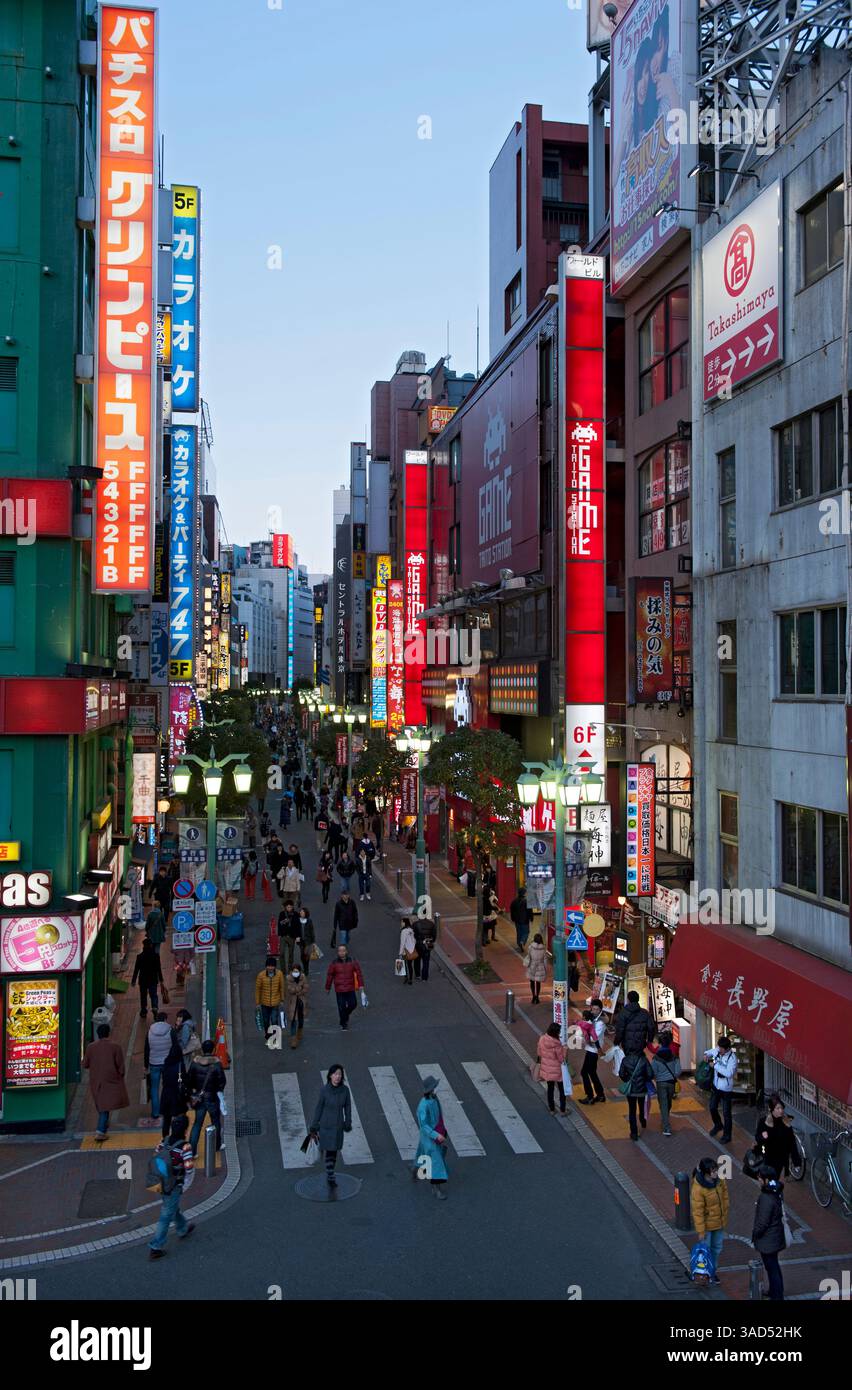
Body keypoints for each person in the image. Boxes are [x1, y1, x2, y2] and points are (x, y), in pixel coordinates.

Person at [148, 1115, 195, 1259]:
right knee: (166, 1214)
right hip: (174, 1184)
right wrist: (185, 1182)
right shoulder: (185, 1147)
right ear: (185, 1130)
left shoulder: (164, 1141)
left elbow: (156, 1153)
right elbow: (189, 1168)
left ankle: (182, 1228)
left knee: (171, 1207)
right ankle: (156, 1246)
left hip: (161, 1181)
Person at [83, 1023, 130, 1140]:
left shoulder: (91, 1047)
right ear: (108, 1033)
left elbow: (85, 1064)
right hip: (111, 1080)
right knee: (106, 1105)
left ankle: (103, 1125)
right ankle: (100, 1131)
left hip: (95, 1080)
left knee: (102, 1104)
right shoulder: (115, 1047)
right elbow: (121, 1068)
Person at [309, 1064, 352, 1188]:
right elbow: (319, 1108)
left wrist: (348, 1121)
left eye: (339, 1074)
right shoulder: (324, 1090)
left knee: (333, 1151)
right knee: (330, 1151)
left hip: (338, 1126)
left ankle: (330, 1172)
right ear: (330, 1076)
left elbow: (348, 1107)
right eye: (335, 1074)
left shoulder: (345, 1090)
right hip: (326, 1126)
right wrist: (314, 1124)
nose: (337, 1077)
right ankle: (330, 1174)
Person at [690, 1156, 729, 1285]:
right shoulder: (698, 1188)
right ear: (706, 1172)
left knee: (717, 1248)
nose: (716, 1173)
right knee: (706, 1250)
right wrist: (701, 1231)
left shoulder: (719, 1181)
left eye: (716, 1170)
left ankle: (712, 1271)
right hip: (707, 1226)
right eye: (713, 1171)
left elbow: (724, 1195)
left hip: (718, 1222)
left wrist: (725, 1213)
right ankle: (704, 1273)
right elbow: (698, 1211)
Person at [752, 1165, 786, 1300]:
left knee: (771, 1268)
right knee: (774, 1266)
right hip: (775, 1236)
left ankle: (777, 1295)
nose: (758, 1179)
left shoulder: (766, 1197)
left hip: (768, 1239)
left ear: (766, 1179)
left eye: (760, 1177)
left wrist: (756, 1234)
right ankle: (776, 1291)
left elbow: (763, 1222)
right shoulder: (776, 1191)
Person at [187, 1038, 227, 1155]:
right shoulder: (216, 1064)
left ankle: (192, 1151)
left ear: (202, 1050)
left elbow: (189, 1080)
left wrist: (195, 1091)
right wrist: (217, 1090)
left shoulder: (195, 1063)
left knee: (197, 1123)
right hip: (212, 1098)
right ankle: (217, 1145)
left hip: (199, 1098)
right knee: (215, 1122)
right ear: (213, 1049)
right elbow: (222, 1082)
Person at [413, 1074, 449, 1198]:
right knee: (436, 1162)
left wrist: (443, 1130)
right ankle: (436, 1188)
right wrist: (436, 1135)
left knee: (423, 1156)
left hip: (436, 1133)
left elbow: (439, 1117)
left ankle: (416, 1171)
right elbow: (424, 1125)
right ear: (431, 1089)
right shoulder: (423, 1105)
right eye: (435, 1087)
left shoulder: (434, 1098)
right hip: (430, 1137)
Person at [753, 1094, 799, 1178]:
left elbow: (792, 1143)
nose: (781, 1110)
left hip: (780, 1158)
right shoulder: (764, 1122)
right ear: (772, 1109)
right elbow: (757, 1137)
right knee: (768, 1180)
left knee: (774, 1179)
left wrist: (796, 1162)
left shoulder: (786, 1123)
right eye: (778, 1108)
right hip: (767, 1156)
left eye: (781, 1108)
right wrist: (763, 1137)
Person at [705, 1036, 737, 1143]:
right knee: (712, 1107)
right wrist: (706, 1055)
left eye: (721, 1049)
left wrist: (715, 1065)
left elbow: (729, 1073)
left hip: (726, 1089)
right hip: (716, 1086)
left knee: (727, 1113)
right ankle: (718, 1125)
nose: (719, 1050)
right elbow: (709, 1052)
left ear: (727, 1048)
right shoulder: (718, 1051)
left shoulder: (732, 1058)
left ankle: (727, 1136)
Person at [144, 1011, 175, 1121]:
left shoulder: (149, 1031)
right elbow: (175, 1047)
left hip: (154, 1063)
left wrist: (145, 1065)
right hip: (167, 1063)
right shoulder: (170, 1030)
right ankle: (168, 1109)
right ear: (165, 1019)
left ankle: (155, 1112)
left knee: (154, 1088)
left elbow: (146, 1049)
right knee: (168, 1087)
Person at [649, 1029, 681, 1135]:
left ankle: (666, 1127)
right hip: (671, 1083)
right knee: (668, 1103)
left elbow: (652, 1072)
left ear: (661, 1043)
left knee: (663, 1104)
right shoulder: (674, 1056)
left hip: (661, 1083)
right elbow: (678, 1071)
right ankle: (665, 1119)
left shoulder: (656, 1058)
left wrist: (658, 1077)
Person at [325, 945, 364, 1030]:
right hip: (339, 989)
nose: (341, 952)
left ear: (346, 952)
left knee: (353, 1004)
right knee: (341, 1006)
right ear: (338, 952)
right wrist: (327, 987)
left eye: (343, 951)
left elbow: (359, 973)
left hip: (350, 988)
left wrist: (361, 985)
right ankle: (343, 1023)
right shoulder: (334, 963)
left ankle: (345, 1016)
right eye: (340, 951)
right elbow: (330, 976)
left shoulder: (352, 961)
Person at [619, 1045, 654, 1141]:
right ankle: (643, 1121)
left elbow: (621, 1074)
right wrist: (644, 1080)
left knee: (632, 1110)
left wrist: (628, 1080)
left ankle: (634, 1132)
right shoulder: (643, 1060)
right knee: (642, 1106)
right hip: (642, 1089)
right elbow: (650, 1074)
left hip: (631, 1091)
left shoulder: (625, 1060)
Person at [158, 1033, 188, 1141]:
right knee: (180, 1119)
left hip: (166, 1094)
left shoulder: (166, 1063)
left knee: (166, 1119)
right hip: (177, 1095)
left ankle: (165, 1140)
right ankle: (178, 1140)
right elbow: (184, 1080)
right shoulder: (180, 1065)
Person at [578, 997, 607, 1105]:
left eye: (597, 1010)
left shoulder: (600, 1022)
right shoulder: (593, 1018)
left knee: (584, 1072)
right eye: (593, 1009)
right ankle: (600, 1095)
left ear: (600, 1010)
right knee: (592, 1072)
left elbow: (593, 1037)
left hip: (593, 1050)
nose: (594, 1011)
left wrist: (584, 1037)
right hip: (591, 1049)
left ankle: (590, 1096)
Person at [537, 1022, 568, 1115]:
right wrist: (565, 1049)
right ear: (556, 1033)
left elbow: (539, 1053)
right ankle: (563, 1110)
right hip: (557, 1070)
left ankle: (552, 1109)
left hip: (546, 1069)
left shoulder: (542, 1038)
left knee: (550, 1089)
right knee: (562, 1090)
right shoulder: (556, 1044)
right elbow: (561, 1059)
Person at [614, 989, 656, 1055]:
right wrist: (649, 1041)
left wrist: (616, 1042)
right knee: (639, 1060)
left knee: (628, 1061)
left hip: (627, 1044)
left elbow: (620, 1030)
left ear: (628, 1000)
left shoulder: (623, 1013)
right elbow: (651, 1028)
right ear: (638, 999)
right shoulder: (645, 1013)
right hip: (640, 1044)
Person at [132, 938, 163, 1018]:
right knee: (153, 995)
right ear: (151, 945)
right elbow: (158, 969)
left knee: (143, 996)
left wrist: (133, 980)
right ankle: (155, 1007)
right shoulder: (156, 956)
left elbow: (136, 969)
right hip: (153, 979)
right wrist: (161, 980)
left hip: (143, 980)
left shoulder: (140, 956)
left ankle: (143, 1011)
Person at [256, 956, 285, 1037]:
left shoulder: (279, 974)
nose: (270, 968)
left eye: (272, 966)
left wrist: (282, 999)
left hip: (275, 1002)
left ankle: (274, 1036)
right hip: (264, 1003)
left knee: (274, 1020)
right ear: (266, 966)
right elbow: (258, 989)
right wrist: (257, 1003)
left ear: (275, 967)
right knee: (265, 1021)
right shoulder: (261, 975)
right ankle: (268, 1034)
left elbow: (282, 987)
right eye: (269, 966)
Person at [285, 966, 308, 1049]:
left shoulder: (303, 977)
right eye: (294, 971)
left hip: (301, 1002)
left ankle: (300, 1030)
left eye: (297, 971)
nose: (295, 972)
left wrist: (299, 990)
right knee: (293, 1020)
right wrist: (300, 988)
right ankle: (293, 1040)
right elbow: (290, 990)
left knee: (301, 1020)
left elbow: (306, 988)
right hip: (293, 1003)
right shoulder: (288, 978)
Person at [277, 901, 302, 973]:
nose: (289, 908)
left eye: (290, 907)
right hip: (284, 936)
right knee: (281, 953)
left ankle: (290, 968)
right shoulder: (282, 914)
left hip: (292, 936)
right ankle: (283, 969)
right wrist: (279, 935)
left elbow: (298, 926)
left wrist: (298, 936)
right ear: (285, 907)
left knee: (291, 953)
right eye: (288, 907)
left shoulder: (296, 914)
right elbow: (280, 924)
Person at [509, 888, 534, 953]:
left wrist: (512, 918)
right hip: (524, 920)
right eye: (525, 892)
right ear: (524, 893)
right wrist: (531, 918)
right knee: (526, 932)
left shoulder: (514, 901)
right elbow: (529, 911)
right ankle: (522, 941)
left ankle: (519, 944)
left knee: (519, 932)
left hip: (517, 920)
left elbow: (512, 910)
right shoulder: (526, 901)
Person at [526, 933, 547, 1004]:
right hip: (540, 967)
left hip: (532, 966)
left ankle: (533, 996)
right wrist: (545, 969)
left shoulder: (531, 947)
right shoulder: (543, 949)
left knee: (532, 982)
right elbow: (545, 960)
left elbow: (528, 956)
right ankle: (537, 997)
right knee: (538, 983)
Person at [414, 916, 436, 981]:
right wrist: (431, 941)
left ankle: (417, 975)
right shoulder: (431, 924)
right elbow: (434, 936)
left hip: (418, 945)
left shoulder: (415, 924)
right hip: (427, 945)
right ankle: (424, 977)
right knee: (426, 962)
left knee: (417, 960)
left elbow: (413, 935)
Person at [296, 905, 316, 974]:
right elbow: (295, 930)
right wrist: (297, 937)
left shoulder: (309, 921)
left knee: (306, 955)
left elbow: (312, 931)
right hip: (301, 941)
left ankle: (306, 968)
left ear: (306, 913)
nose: (301, 913)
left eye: (303, 912)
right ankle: (305, 966)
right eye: (300, 912)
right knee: (302, 955)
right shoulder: (297, 920)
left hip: (308, 941)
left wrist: (313, 942)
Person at [398, 918, 418, 985]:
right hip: (412, 950)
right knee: (410, 965)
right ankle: (410, 979)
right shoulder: (411, 930)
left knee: (404, 965)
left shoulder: (403, 931)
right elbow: (414, 940)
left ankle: (406, 977)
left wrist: (400, 953)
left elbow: (402, 943)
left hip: (405, 951)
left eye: (402, 922)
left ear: (405, 923)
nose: (401, 923)